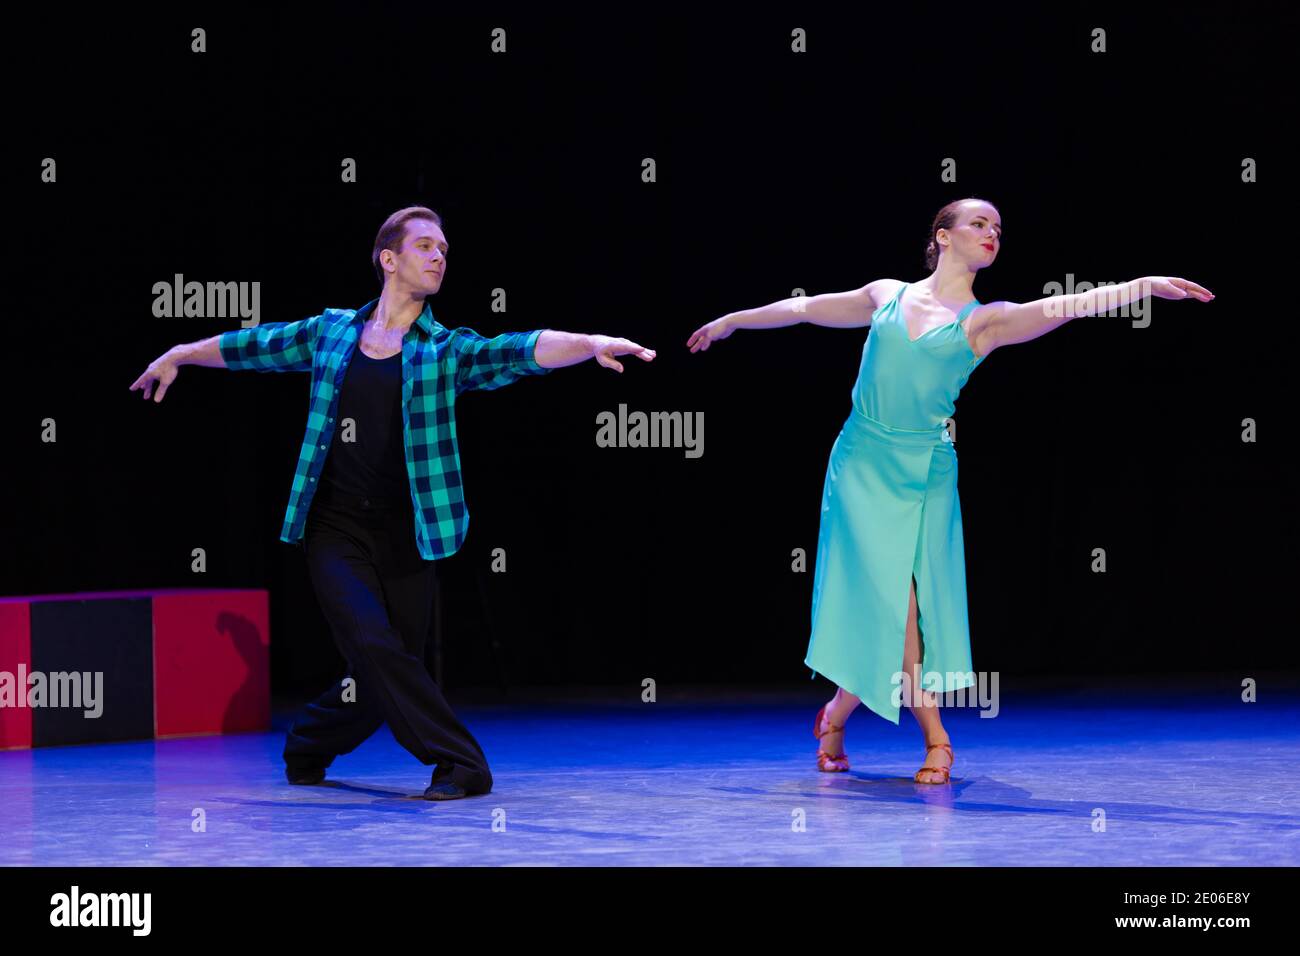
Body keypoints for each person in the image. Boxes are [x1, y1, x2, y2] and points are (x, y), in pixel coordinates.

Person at [130, 205, 655, 799]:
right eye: (427, 246)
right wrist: (179, 352)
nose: (439, 257)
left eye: (445, 250)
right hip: (334, 528)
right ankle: (460, 764)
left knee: (383, 667)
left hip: (411, 532)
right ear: (389, 259)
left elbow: (517, 349)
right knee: (377, 647)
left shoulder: (444, 350)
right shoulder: (331, 332)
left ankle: (307, 742)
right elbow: (255, 345)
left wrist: (588, 343)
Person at [687, 197, 1212, 784]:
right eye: (978, 223)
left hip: (926, 469)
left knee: (907, 602)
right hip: (861, 463)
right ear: (943, 235)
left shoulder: (984, 321)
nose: (992, 234)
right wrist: (734, 319)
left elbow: (1071, 304)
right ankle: (934, 737)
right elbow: (806, 308)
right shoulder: (887, 294)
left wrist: (1140, 285)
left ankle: (836, 715)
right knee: (892, 603)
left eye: (998, 228)